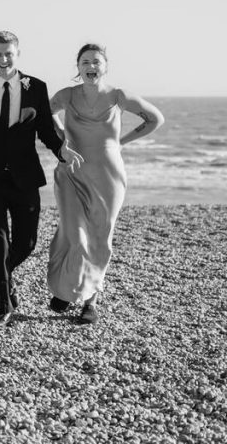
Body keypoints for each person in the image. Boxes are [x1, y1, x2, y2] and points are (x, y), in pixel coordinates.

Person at [0, 30, 83, 332]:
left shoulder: (36, 87)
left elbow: (45, 130)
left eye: (8, 54)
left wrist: (61, 149)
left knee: (27, 242)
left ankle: (4, 275)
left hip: (25, 176)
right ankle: (3, 307)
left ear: (17, 54)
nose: (3, 59)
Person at [47, 44, 164, 324]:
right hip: (72, 173)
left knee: (100, 237)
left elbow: (155, 119)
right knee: (74, 234)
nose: (91, 66)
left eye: (96, 62)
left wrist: (121, 142)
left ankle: (90, 300)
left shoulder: (118, 96)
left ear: (105, 66)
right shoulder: (67, 95)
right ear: (78, 67)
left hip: (108, 176)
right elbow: (44, 114)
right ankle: (67, 288)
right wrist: (62, 136)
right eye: (85, 61)